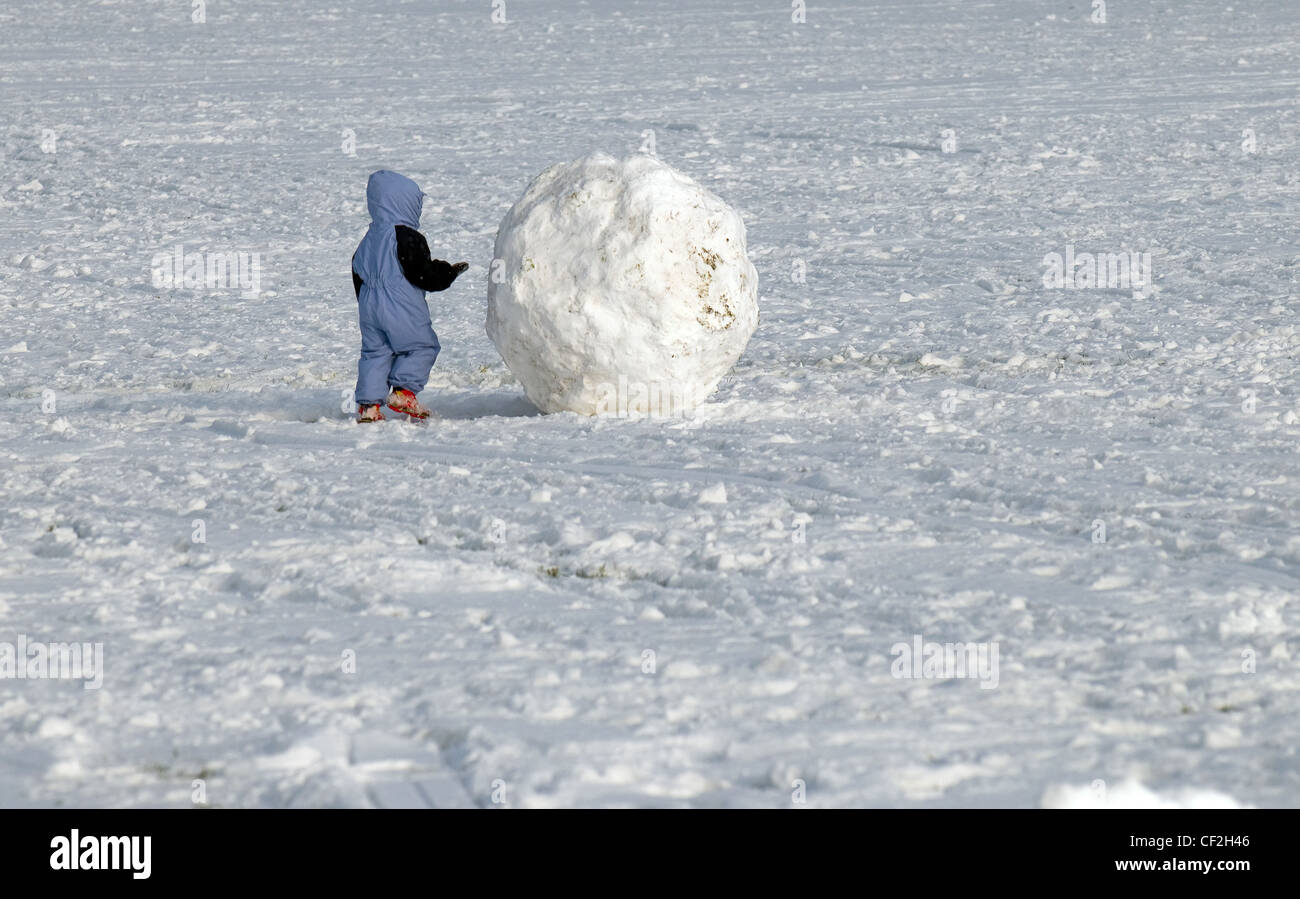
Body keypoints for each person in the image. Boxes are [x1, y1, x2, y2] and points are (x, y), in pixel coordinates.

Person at [351, 170, 468, 422]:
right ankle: (404, 392)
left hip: (369, 306)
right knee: (421, 347)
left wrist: (368, 303)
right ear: (403, 203)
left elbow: (356, 271)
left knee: (375, 353)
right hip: (400, 303)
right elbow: (421, 273)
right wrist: (447, 272)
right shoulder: (406, 236)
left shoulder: (367, 240)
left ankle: (368, 407)